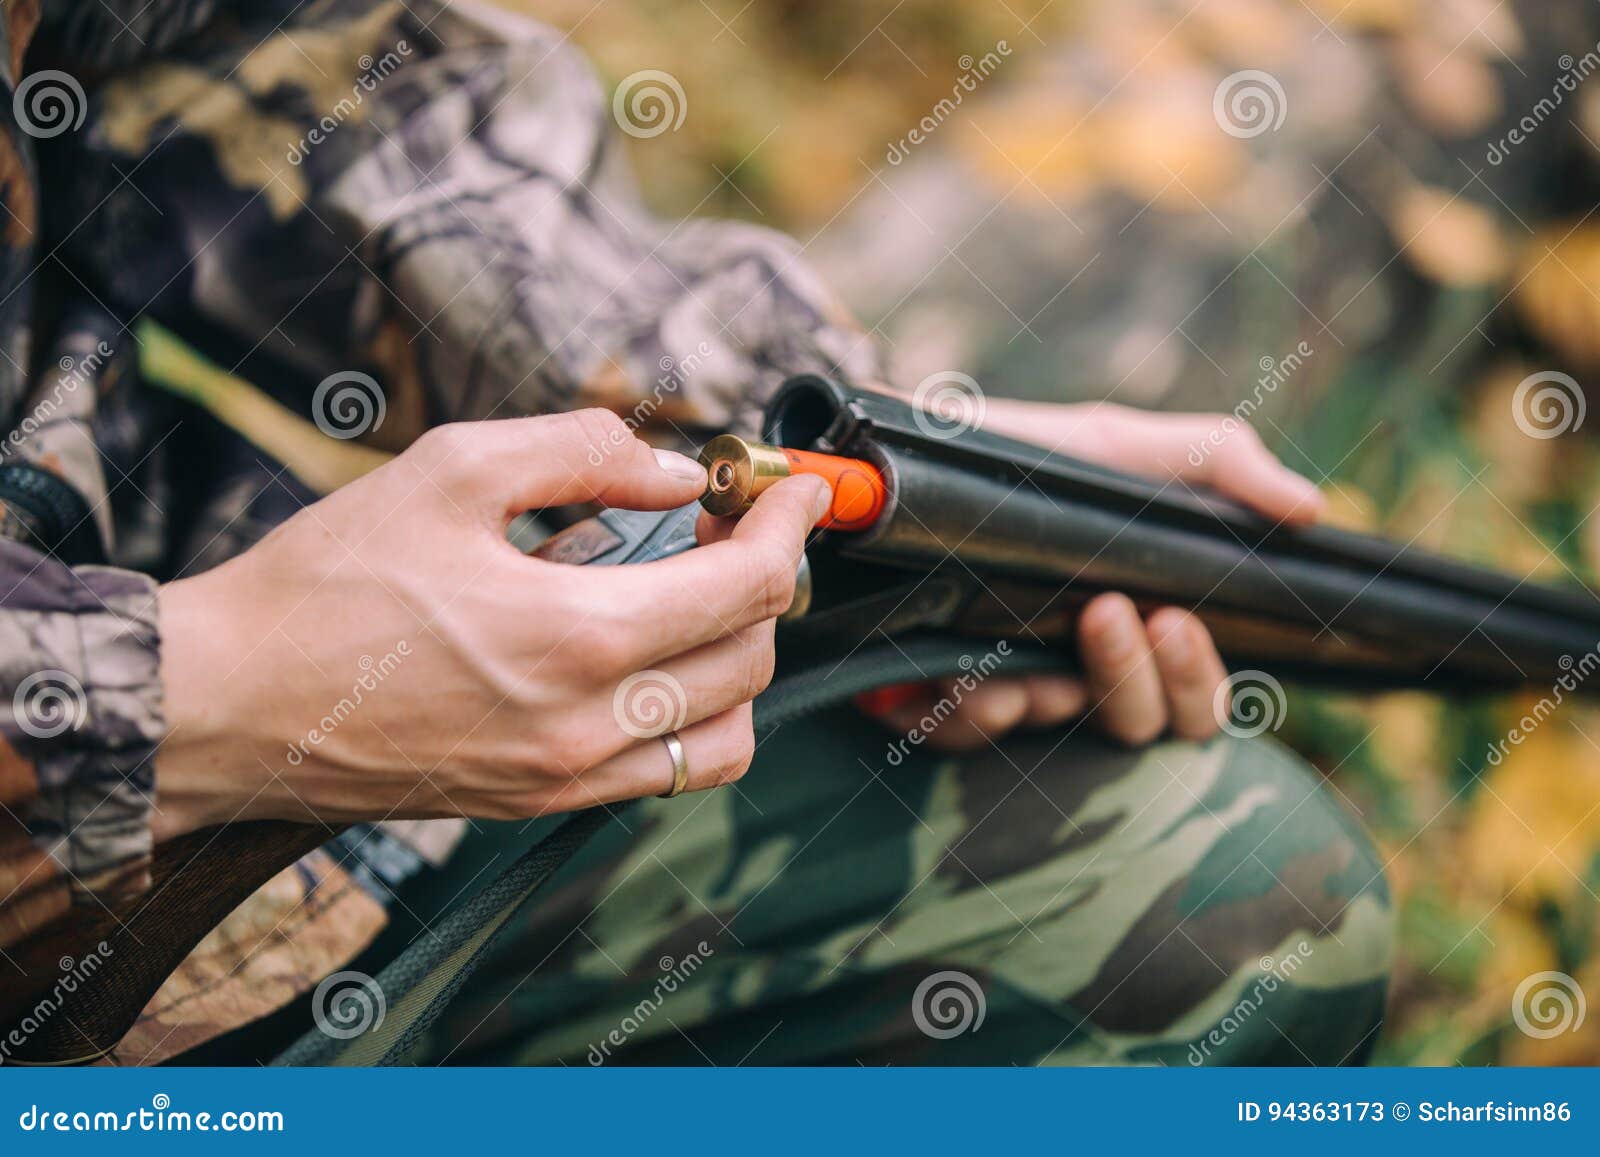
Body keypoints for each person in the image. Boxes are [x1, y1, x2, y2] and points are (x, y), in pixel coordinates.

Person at [0, 1, 1390, 1065]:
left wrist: (887, 452)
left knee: (1239, 891)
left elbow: (326, 84)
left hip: (220, 798)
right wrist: (217, 695)